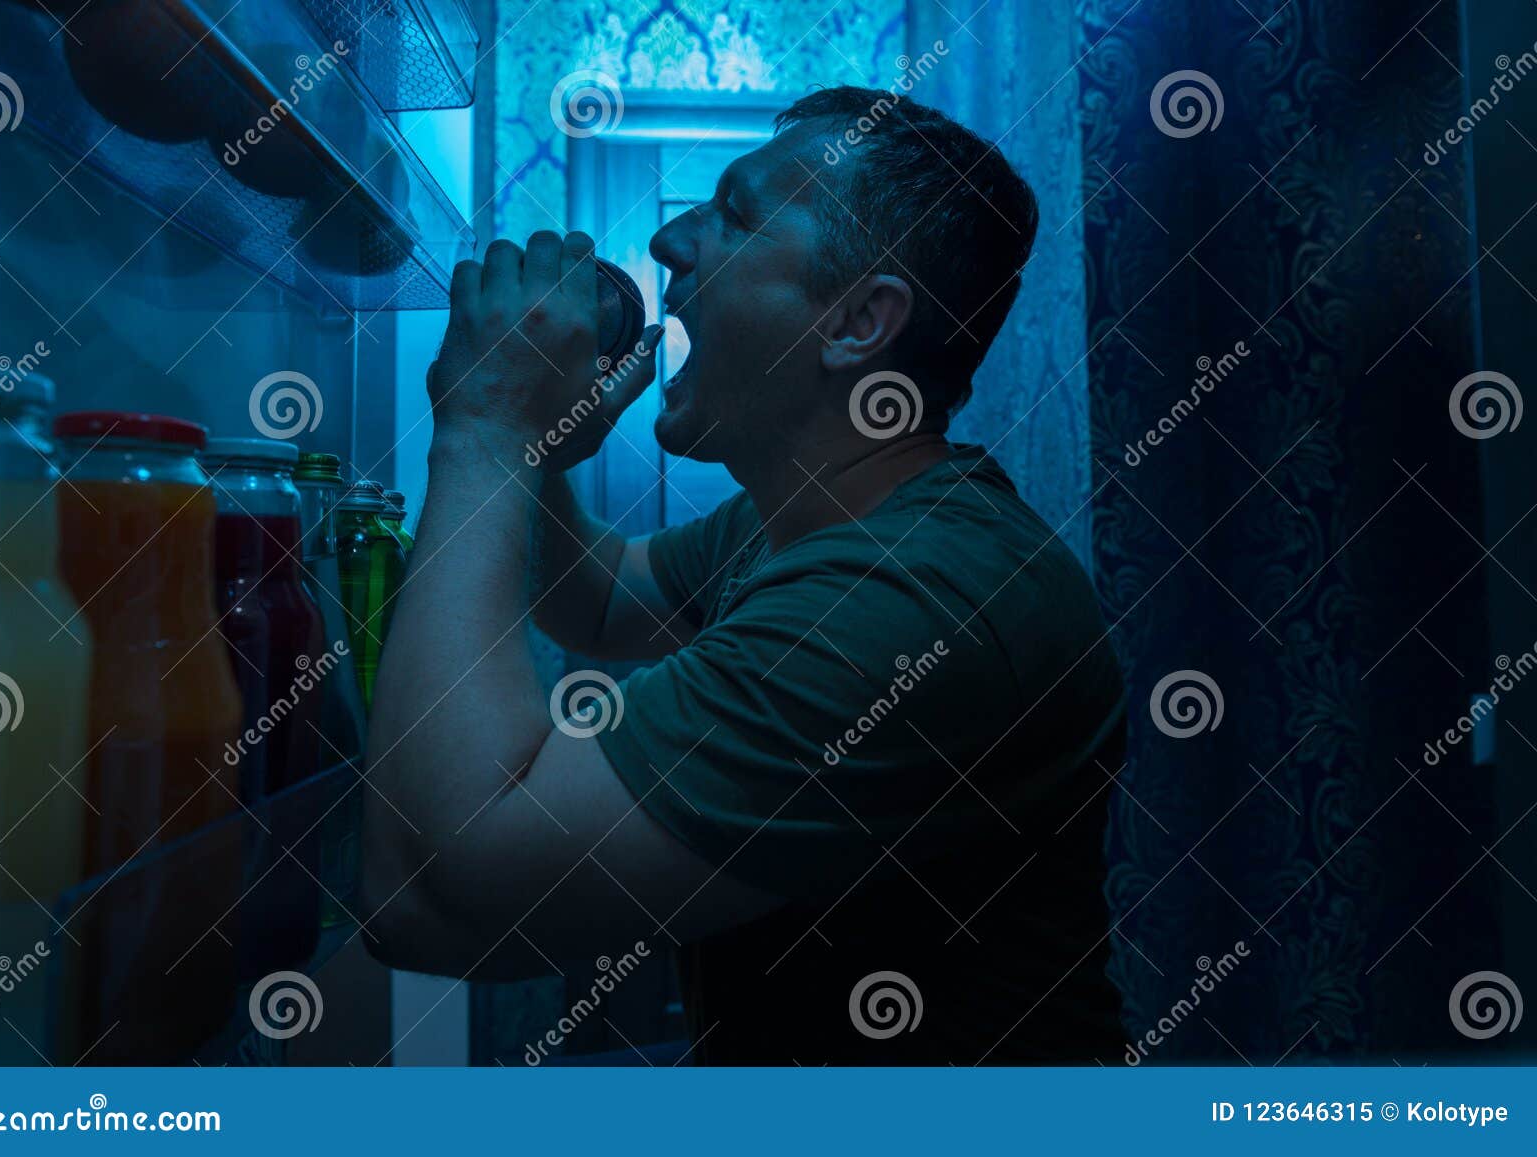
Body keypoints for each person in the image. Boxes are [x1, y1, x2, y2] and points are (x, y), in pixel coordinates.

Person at [362, 86, 1128, 1064]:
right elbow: (598, 597)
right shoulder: (800, 521)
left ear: (857, 321)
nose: (673, 240)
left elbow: (441, 873)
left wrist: (484, 429)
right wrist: (541, 442)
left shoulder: (905, 600)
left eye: (734, 212)